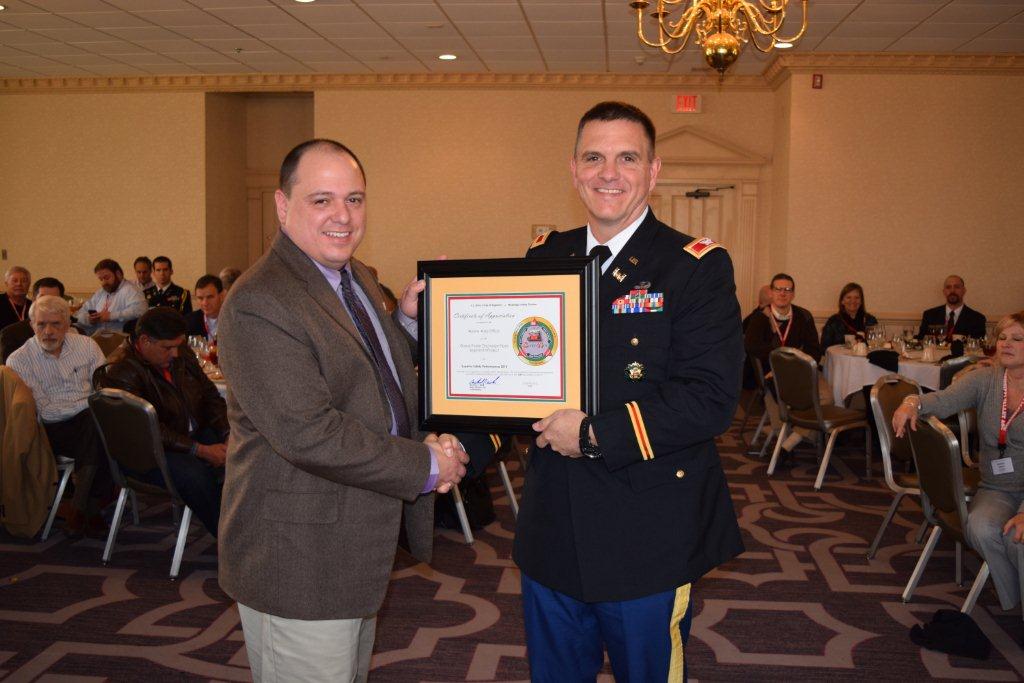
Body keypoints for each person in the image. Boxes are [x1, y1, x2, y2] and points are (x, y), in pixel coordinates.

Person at [216, 138, 469, 681]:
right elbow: (309, 432)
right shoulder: (261, 300)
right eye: (321, 200)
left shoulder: (355, 277)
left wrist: (404, 324)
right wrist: (427, 464)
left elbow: (361, 370)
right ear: (283, 206)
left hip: (351, 546)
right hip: (299, 558)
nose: (343, 216)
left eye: (354, 199)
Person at [513, 102, 744, 681]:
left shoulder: (695, 267)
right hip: (553, 523)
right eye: (594, 157)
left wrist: (593, 434)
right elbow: (520, 372)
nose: (608, 173)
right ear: (574, 169)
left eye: (627, 158)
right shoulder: (545, 256)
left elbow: (710, 398)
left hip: (648, 528)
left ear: (653, 171)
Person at [893, 311, 1024, 612]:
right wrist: (912, 402)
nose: (1006, 344)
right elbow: (944, 400)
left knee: (1017, 539)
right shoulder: (986, 379)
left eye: (1017, 339)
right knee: (979, 528)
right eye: (1002, 337)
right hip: (997, 487)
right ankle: (1015, 601)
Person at [93, 307, 227, 537]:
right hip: (149, 453)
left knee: (243, 453)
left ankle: (251, 526)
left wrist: (227, 434)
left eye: (178, 345)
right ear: (145, 341)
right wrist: (201, 450)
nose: (175, 354)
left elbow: (211, 397)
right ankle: (229, 540)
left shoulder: (181, 354)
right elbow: (148, 431)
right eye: (167, 348)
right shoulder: (122, 373)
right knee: (196, 476)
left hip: (187, 435)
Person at [7, 295, 110, 537]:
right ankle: (90, 507)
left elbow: (104, 388)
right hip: (51, 431)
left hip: (90, 425)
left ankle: (80, 506)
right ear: (31, 325)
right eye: (41, 324)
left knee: (97, 426)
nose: (48, 332)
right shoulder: (19, 360)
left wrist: (92, 405)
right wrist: (88, 403)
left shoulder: (87, 346)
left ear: (67, 324)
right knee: (98, 426)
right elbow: (47, 412)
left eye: (55, 324)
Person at [744, 272, 831, 457]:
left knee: (827, 399)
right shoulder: (759, 318)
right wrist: (780, 362)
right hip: (773, 374)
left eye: (787, 289)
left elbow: (814, 350)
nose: (783, 293)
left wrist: (796, 365)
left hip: (802, 372)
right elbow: (751, 346)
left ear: (793, 294)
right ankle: (786, 437)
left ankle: (788, 444)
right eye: (778, 289)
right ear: (771, 293)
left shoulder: (803, 316)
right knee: (780, 409)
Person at [1, 277, 67, 363]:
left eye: (54, 299)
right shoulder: (11, 334)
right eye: (42, 298)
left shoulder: (75, 332)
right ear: (33, 300)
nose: (48, 303)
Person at [79, 259, 147, 334]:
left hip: (120, 338)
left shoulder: (131, 290)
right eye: (101, 279)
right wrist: (89, 319)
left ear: (118, 274)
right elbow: (80, 313)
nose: (104, 282)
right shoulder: (100, 293)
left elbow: (140, 311)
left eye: (107, 278)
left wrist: (111, 316)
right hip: (96, 336)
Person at [917, 275, 987, 341]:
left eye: (957, 287)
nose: (952, 291)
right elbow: (921, 340)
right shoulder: (929, 315)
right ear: (944, 291)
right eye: (948, 287)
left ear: (964, 290)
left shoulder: (977, 319)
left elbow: (977, 345)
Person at [820, 282, 879, 349]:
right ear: (842, 301)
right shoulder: (833, 321)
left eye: (857, 297)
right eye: (848, 297)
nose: (853, 301)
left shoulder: (871, 320)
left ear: (861, 301)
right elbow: (824, 348)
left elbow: (877, 346)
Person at [186, 275, 224, 341]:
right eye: (200, 298)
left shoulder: (233, 319)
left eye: (210, 297)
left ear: (221, 296)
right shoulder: (189, 321)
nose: (205, 303)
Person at [0, 266, 31, 331]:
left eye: (24, 281)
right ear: (6, 284)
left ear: (29, 284)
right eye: (15, 281)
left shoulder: (33, 306)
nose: (19, 284)